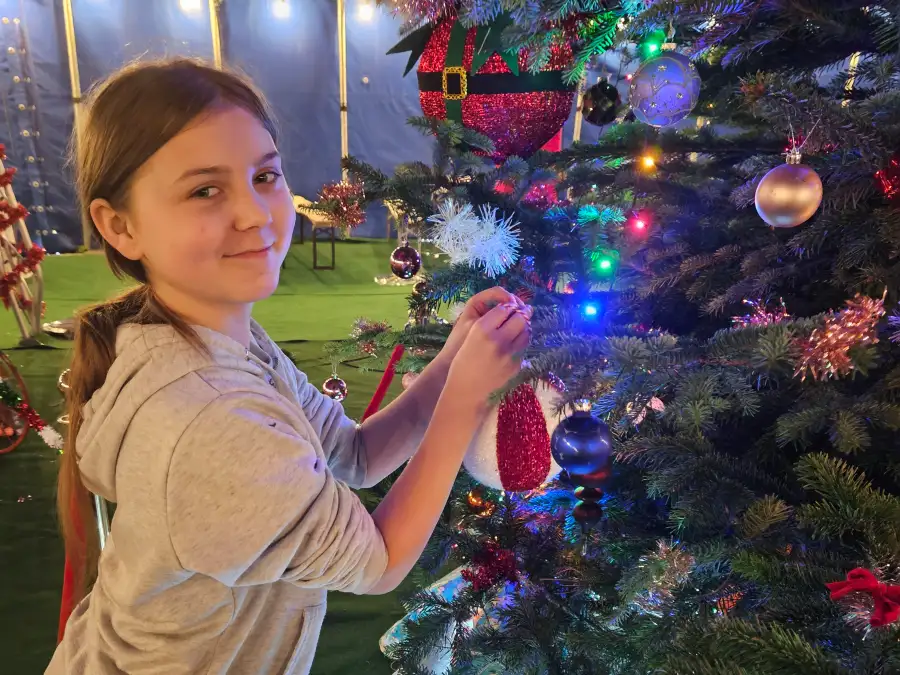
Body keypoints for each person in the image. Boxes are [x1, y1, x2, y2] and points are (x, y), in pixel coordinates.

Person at [48, 58, 531, 675]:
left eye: (265, 176)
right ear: (120, 227)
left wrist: (454, 354)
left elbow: (354, 456)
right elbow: (380, 562)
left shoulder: (219, 337)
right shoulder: (209, 417)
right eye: (204, 189)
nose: (254, 213)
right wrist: (464, 400)